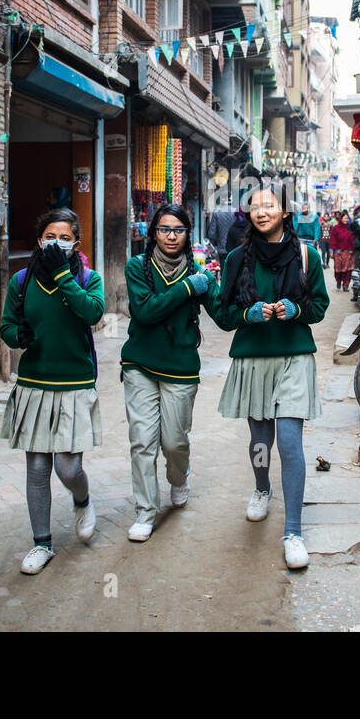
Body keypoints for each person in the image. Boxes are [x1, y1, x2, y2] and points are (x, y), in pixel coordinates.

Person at [209, 183, 329, 570]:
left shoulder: (307, 255)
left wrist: (296, 310)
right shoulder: (236, 259)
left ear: (286, 212)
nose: (262, 212)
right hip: (253, 359)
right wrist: (249, 314)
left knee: (290, 444)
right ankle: (262, 489)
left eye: (270, 205)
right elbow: (224, 315)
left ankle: (293, 531)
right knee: (260, 440)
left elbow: (321, 307)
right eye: (255, 207)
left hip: (294, 357)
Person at [0, 208, 105, 575]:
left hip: (75, 382)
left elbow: (92, 313)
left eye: (64, 237)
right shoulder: (22, 280)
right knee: (38, 466)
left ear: (76, 242)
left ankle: (82, 498)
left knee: (68, 464)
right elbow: (7, 326)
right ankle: (41, 543)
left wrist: (63, 275)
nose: (56, 242)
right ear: (39, 239)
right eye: (50, 236)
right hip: (35, 384)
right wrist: (18, 337)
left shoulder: (89, 279)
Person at [120, 203, 216, 542]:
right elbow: (145, 311)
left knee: (174, 442)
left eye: (178, 230)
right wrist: (190, 288)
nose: (171, 236)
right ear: (153, 233)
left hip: (181, 368)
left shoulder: (199, 269)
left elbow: (223, 313)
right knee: (142, 441)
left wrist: (225, 286)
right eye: (164, 229)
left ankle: (179, 477)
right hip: (140, 366)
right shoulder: (137, 267)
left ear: (188, 234)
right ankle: (146, 511)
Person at [330, 211, 356, 291]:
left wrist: (353, 249)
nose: (346, 220)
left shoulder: (351, 227)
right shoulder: (336, 228)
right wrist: (331, 251)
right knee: (338, 270)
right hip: (338, 252)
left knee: (348, 270)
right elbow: (332, 240)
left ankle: (345, 285)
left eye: (347, 218)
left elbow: (354, 239)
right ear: (341, 219)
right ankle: (338, 281)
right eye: (345, 218)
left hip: (349, 252)